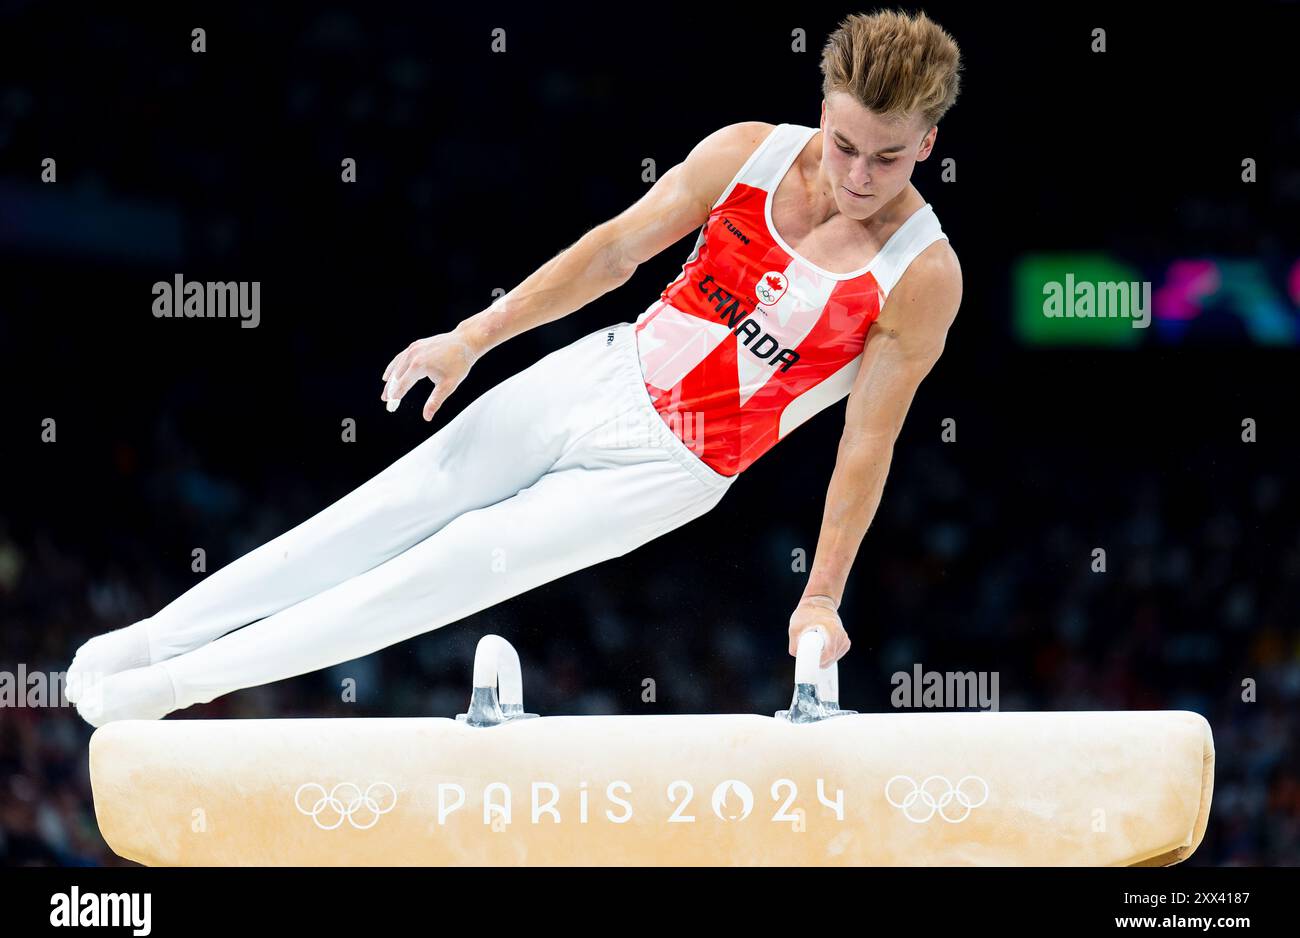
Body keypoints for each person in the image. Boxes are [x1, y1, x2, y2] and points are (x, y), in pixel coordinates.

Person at [68, 10, 964, 726]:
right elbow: (612, 252)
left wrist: (820, 599)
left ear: (927, 144)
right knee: (383, 510)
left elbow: (866, 441)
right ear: (822, 107)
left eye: (887, 157)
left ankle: (186, 685)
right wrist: (473, 336)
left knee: (442, 573)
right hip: (598, 372)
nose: (857, 173)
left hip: (674, 466)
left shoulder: (920, 275)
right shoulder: (748, 153)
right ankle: (156, 640)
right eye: (845, 144)